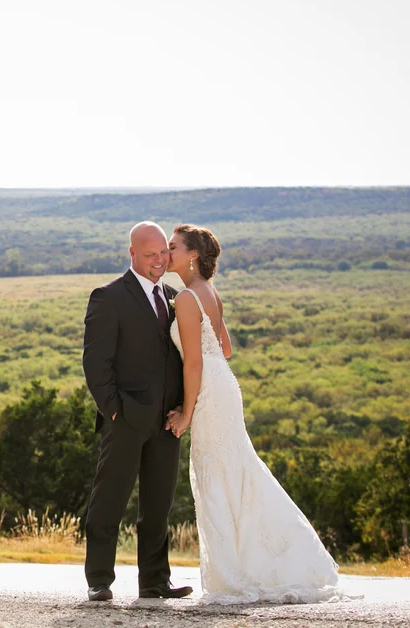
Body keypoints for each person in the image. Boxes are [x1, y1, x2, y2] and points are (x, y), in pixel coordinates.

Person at [164, 223, 344, 604]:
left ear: (192, 255)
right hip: (225, 385)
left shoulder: (184, 299)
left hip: (209, 391)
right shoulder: (209, 293)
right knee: (237, 471)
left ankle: (236, 572)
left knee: (217, 475)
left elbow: (192, 363)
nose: (168, 251)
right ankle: (262, 560)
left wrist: (186, 412)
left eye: (174, 246)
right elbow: (224, 348)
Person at [82, 221, 193, 601]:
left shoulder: (176, 296)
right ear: (132, 254)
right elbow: (96, 365)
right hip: (126, 419)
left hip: (167, 421)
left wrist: (182, 408)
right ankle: (99, 580)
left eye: (164, 253)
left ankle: (155, 582)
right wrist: (115, 412)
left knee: (158, 507)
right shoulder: (107, 297)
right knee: (109, 501)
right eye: (150, 255)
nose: (159, 261)